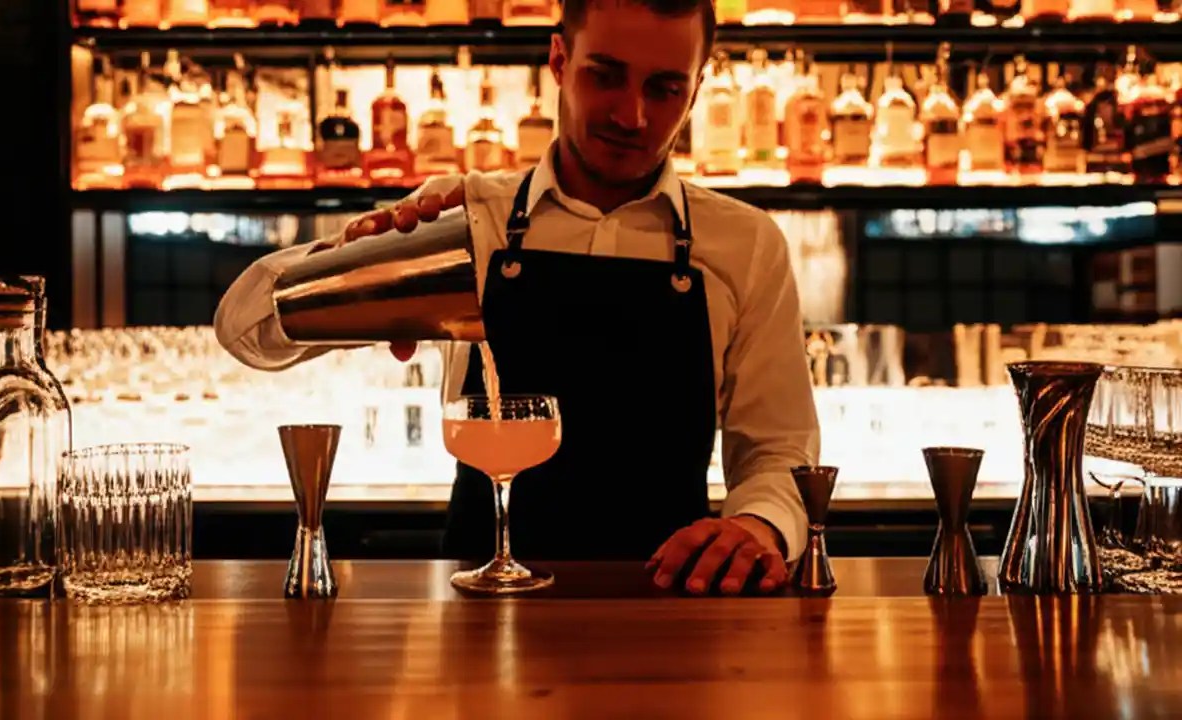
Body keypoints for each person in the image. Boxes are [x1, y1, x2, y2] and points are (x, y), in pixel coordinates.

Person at [215, 0, 820, 595]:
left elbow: (779, 449)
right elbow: (247, 332)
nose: (631, 115)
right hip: (479, 609)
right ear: (558, 60)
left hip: (670, 601)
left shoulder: (743, 243)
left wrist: (758, 525)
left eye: (664, 89)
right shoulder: (471, 217)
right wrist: (351, 267)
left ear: (697, 89)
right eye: (605, 76)